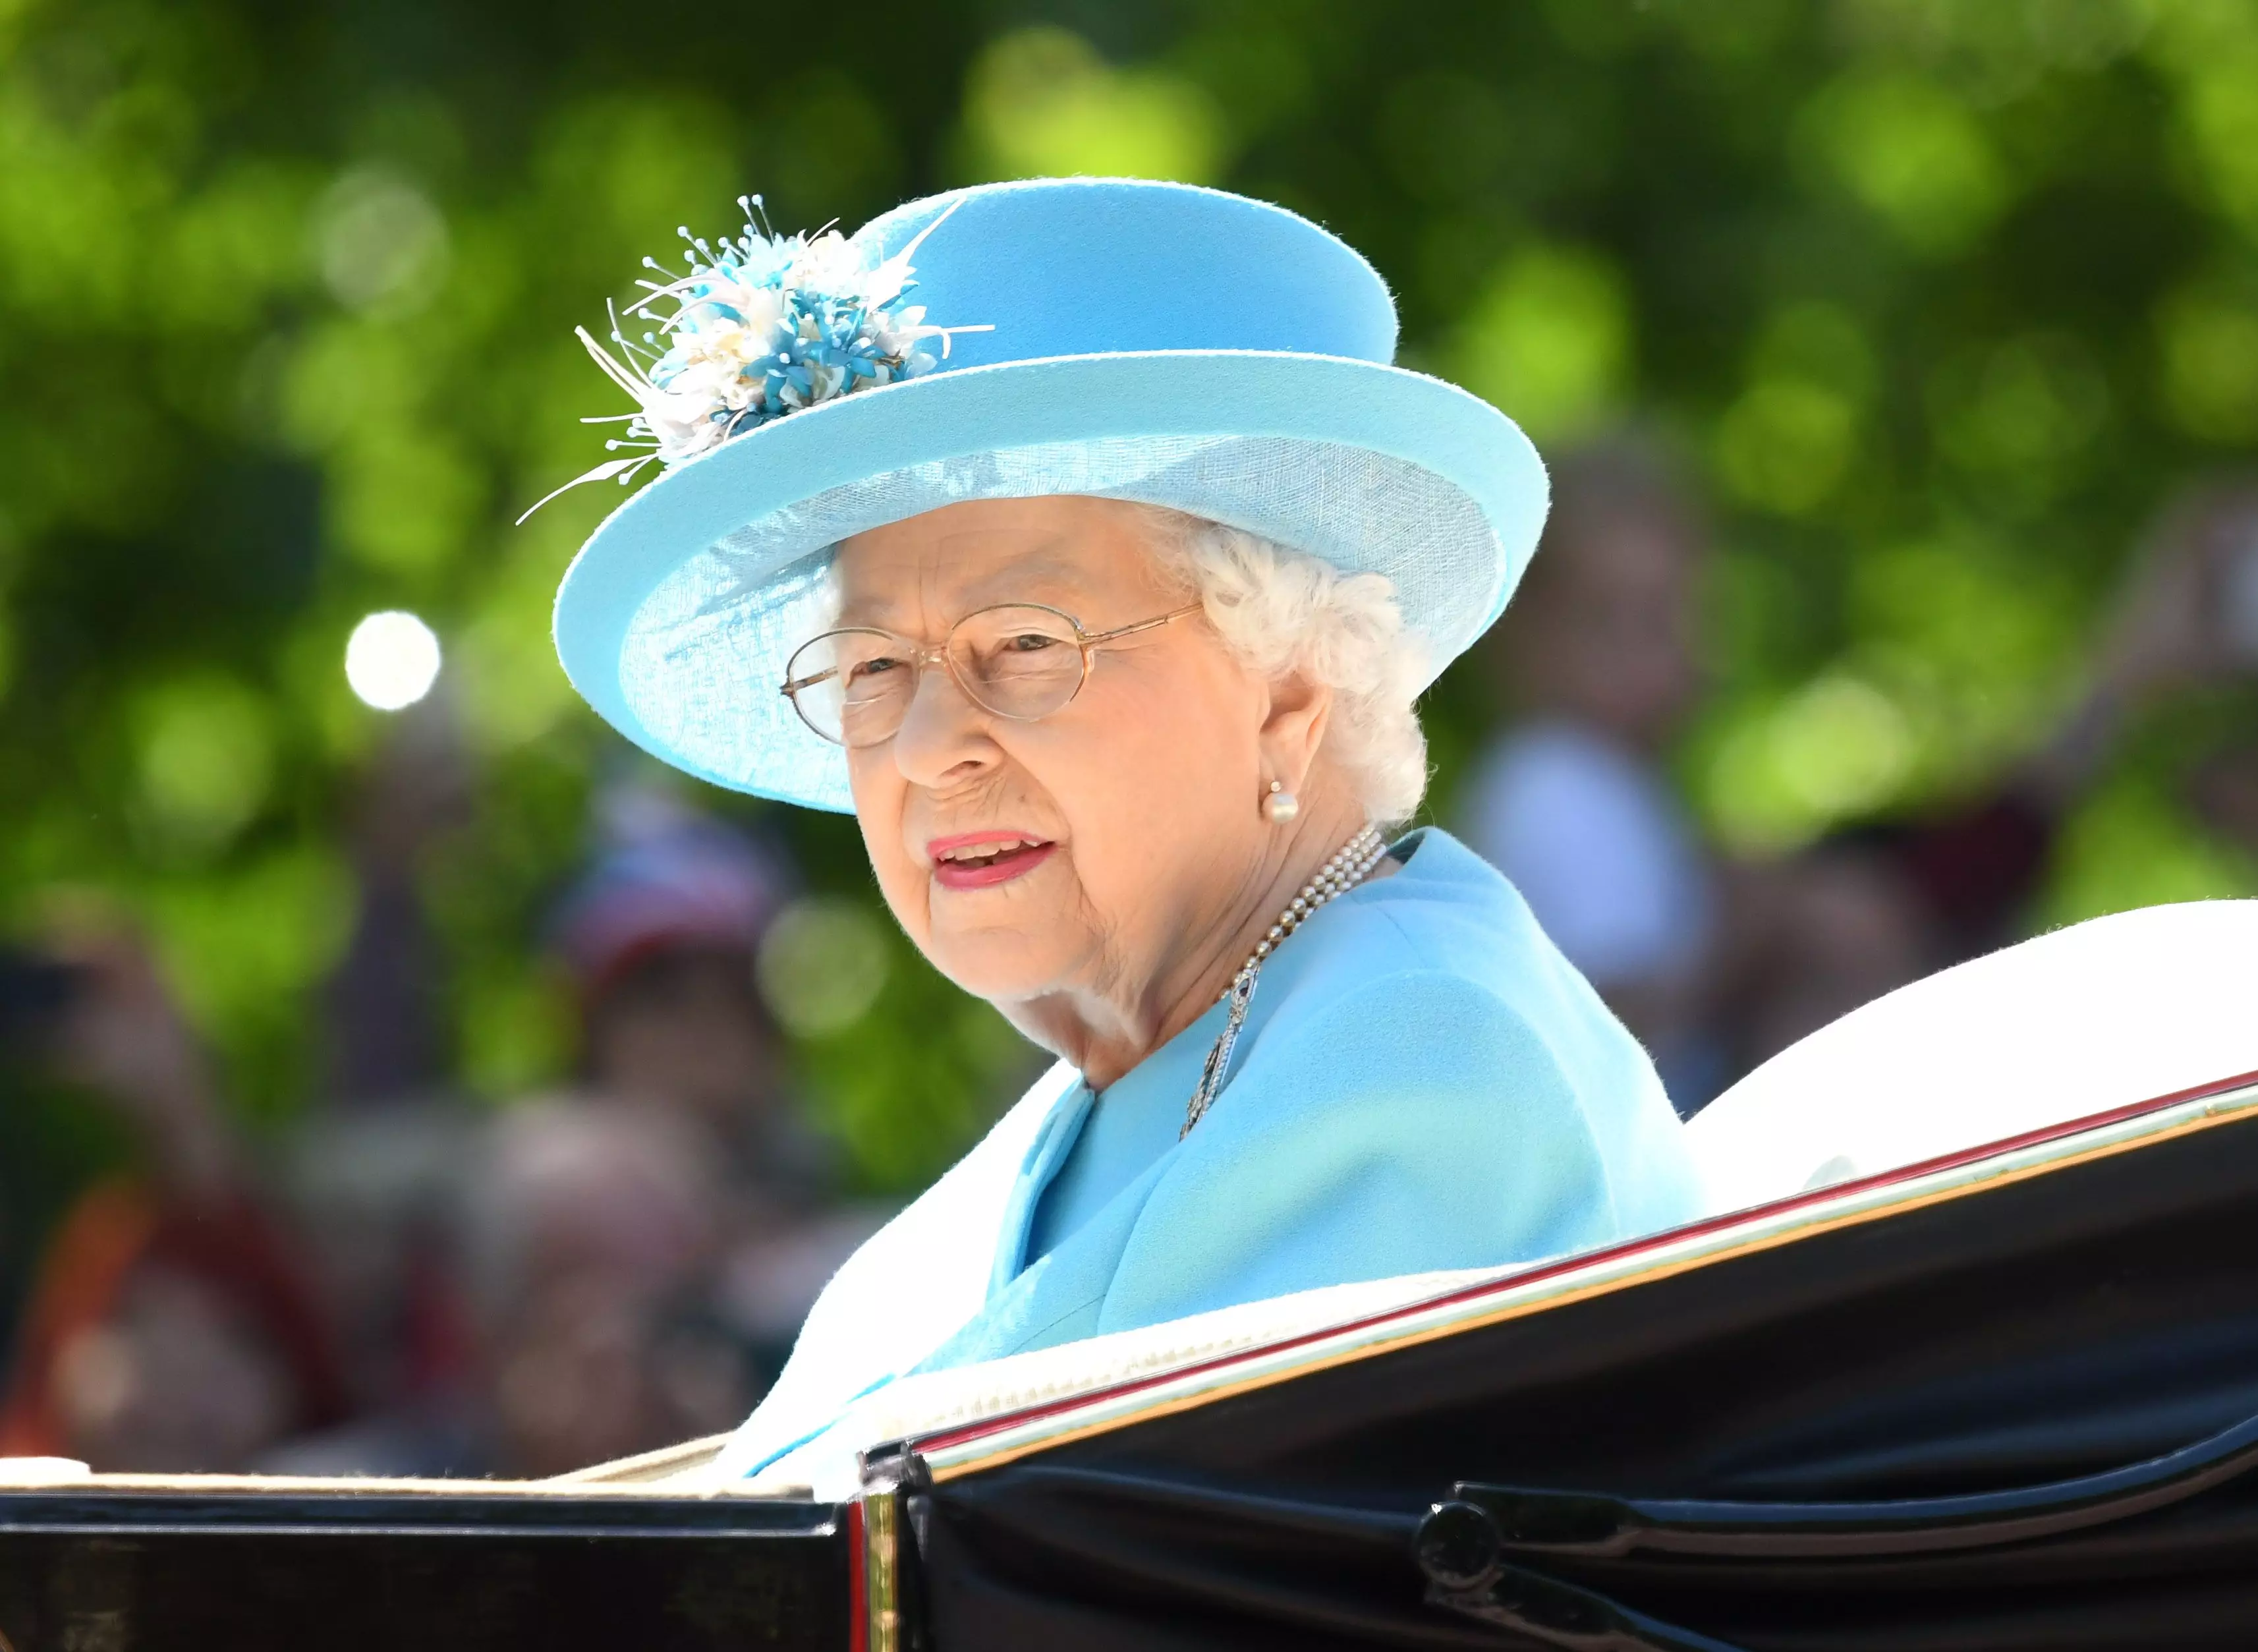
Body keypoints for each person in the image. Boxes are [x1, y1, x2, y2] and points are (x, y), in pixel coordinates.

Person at [538, 177, 1703, 1479]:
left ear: (1288, 691)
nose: (927, 749)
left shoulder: (1423, 1053)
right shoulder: (1100, 1094)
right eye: (872, 669)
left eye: (1026, 644)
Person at [1457, 438, 1723, 1107]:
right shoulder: (1552, 780)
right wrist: (1760, 931)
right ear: (1526, 634)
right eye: (1609, 621)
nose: (1646, 653)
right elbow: (1620, 1011)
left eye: (1665, 617)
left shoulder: (1614, 780)